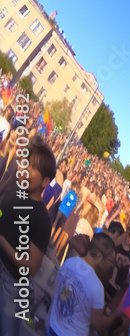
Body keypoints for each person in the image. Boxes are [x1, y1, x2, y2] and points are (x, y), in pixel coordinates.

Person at [0, 134, 56, 336]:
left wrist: (2, 241)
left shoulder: (43, 218)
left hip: (10, 286)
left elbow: (31, 267)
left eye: (32, 168)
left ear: (45, 181)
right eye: (26, 164)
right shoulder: (14, 189)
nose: (25, 170)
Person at [48, 232, 122, 336]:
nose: (112, 266)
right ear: (100, 257)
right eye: (111, 261)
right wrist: (110, 320)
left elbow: (62, 294)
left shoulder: (70, 262)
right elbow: (97, 324)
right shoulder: (97, 287)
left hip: (53, 327)